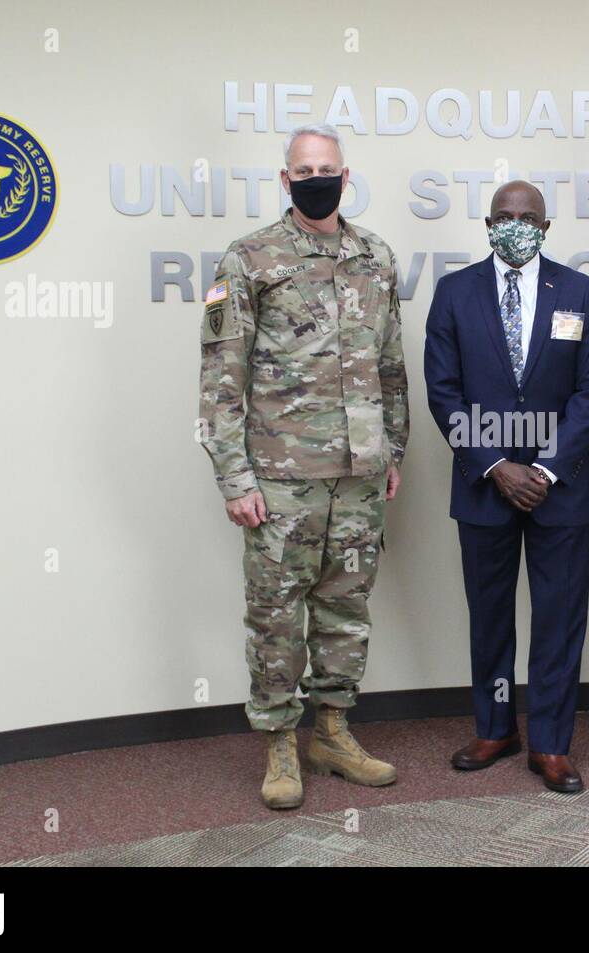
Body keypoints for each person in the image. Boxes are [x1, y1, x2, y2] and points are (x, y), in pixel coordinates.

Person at [198, 123, 408, 809]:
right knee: (277, 617)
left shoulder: (375, 255)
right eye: (303, 168)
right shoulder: (249, 259)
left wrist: (391, 450)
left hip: (358, 477)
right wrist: (236, 478)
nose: (316, 177)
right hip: (281, 478)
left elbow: (390, 366)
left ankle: (335, 732)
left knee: (346, 612)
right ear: (286, 180)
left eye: (328, 167)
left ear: (346, 177)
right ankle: (280, 745)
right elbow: (221, 379)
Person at [424, 180, 589, 793]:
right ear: (486, 223)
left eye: (527, 216)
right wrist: (495, 464)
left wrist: (548, 467)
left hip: (561, 488)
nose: (516, 224)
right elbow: (443, 391)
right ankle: (496, 726)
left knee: (559, 620)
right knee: (490, 616)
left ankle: (551, 744)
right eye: (504, 216)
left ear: (547, 225)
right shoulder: (454, 292)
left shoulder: (579, 291)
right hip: (484, 485)